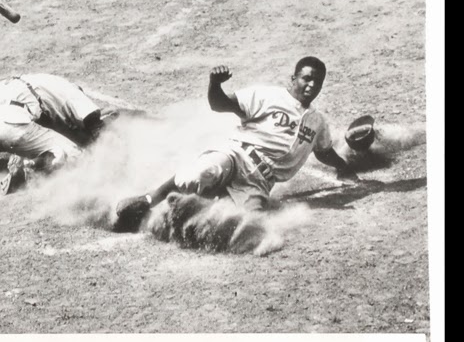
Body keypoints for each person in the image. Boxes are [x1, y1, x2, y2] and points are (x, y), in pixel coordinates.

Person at [114, 57, 359, 232]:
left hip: (260, 182)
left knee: (246, 226)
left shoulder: (318, 122)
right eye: (307, 79)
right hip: (236, 155)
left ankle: (180, 215)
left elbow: (325, 152)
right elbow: (220, 104)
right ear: (293, 78)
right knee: (199, 174)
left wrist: (343, 166)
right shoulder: (268, 95)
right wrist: (215, 84)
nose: (312, 85)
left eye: (318, 82)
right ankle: (148, 200)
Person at [0, 73, 106, 194]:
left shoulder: (31, 82)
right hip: (11, 123)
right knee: (74, 156)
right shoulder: (70, 89)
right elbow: (95, 124)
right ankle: (33, 166)